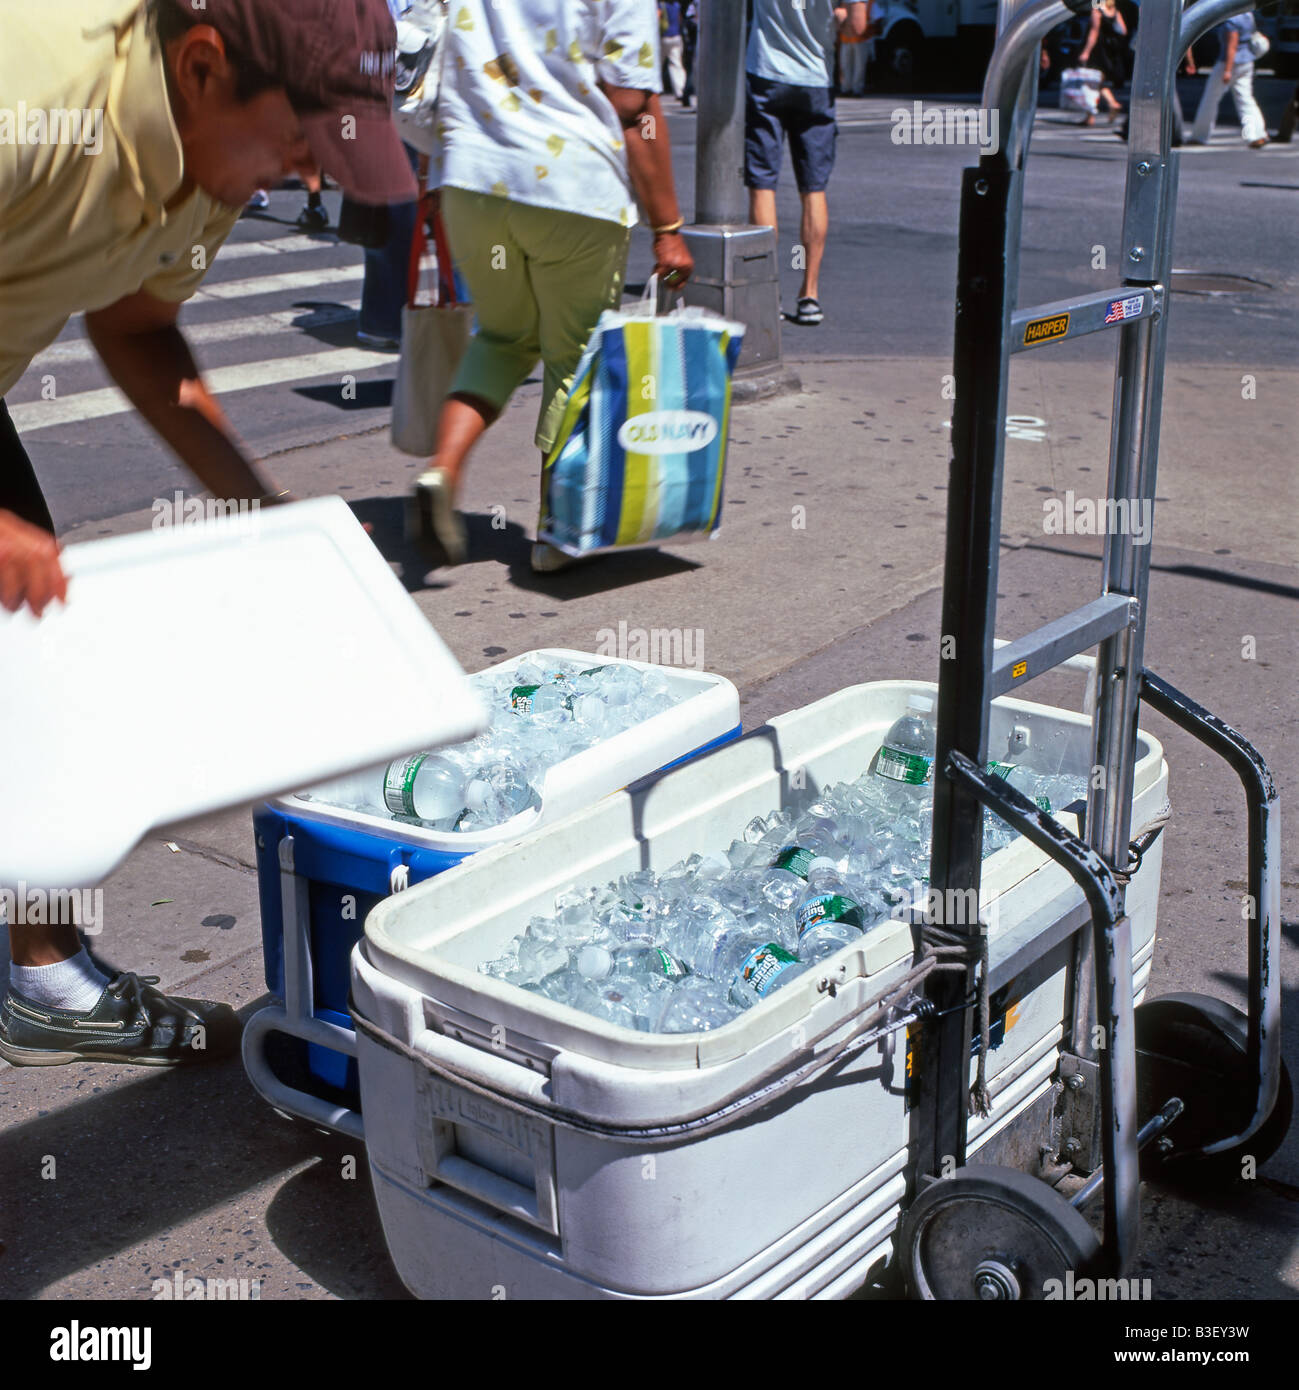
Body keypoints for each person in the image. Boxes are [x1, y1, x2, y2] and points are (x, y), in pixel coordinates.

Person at [0, 0, 414, 1068]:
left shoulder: (216, 148)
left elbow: (136, 323)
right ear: (199, 66)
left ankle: (38, 972)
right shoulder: (28, 88)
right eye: (299, 140)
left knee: (30, 659)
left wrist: (265, 520)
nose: (304, 174)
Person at [409, 0, 694, 574]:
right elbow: (634, 106)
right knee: (575, 359)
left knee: (503, 338)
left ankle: (442, 467)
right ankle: (554, 533)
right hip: (571, 187)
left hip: (472, 180)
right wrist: (668, 227)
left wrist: (430, 174)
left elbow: (429, 55)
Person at [744, 0, 869, 327]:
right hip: (815, 78)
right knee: (813, 189)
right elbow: (857, 26)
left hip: (765, 72)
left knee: (762, 186)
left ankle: (766, 293)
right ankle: (808, 294)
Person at [1190, 9, 1268, 147]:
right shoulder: (1248, 14)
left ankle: (1200, 135)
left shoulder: (1232, 19)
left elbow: (1232, 46)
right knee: (1245, 100)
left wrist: (1227, 70)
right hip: (1247, 60)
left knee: (1210, 99)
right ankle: (1256, 134)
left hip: (1229, 63)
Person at [1076, 0, 1128, 125]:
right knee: (1097, 82)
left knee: (1091, 82)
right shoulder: (1114, 10)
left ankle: (1102, 109)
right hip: (1110, 51)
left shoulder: (1097, 8)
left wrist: (1086, 52)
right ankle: (1097, 112)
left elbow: (1094, 31)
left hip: (1097, 51)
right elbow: (1123, 31)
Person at [660, 2, 687, 102]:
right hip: (676, 36)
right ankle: (680, 90)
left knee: (658, 64)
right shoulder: (676, 5)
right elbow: (679, 19)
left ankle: (656, 88)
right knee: (676, 64)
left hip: (664, 37)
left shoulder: (661, 5)